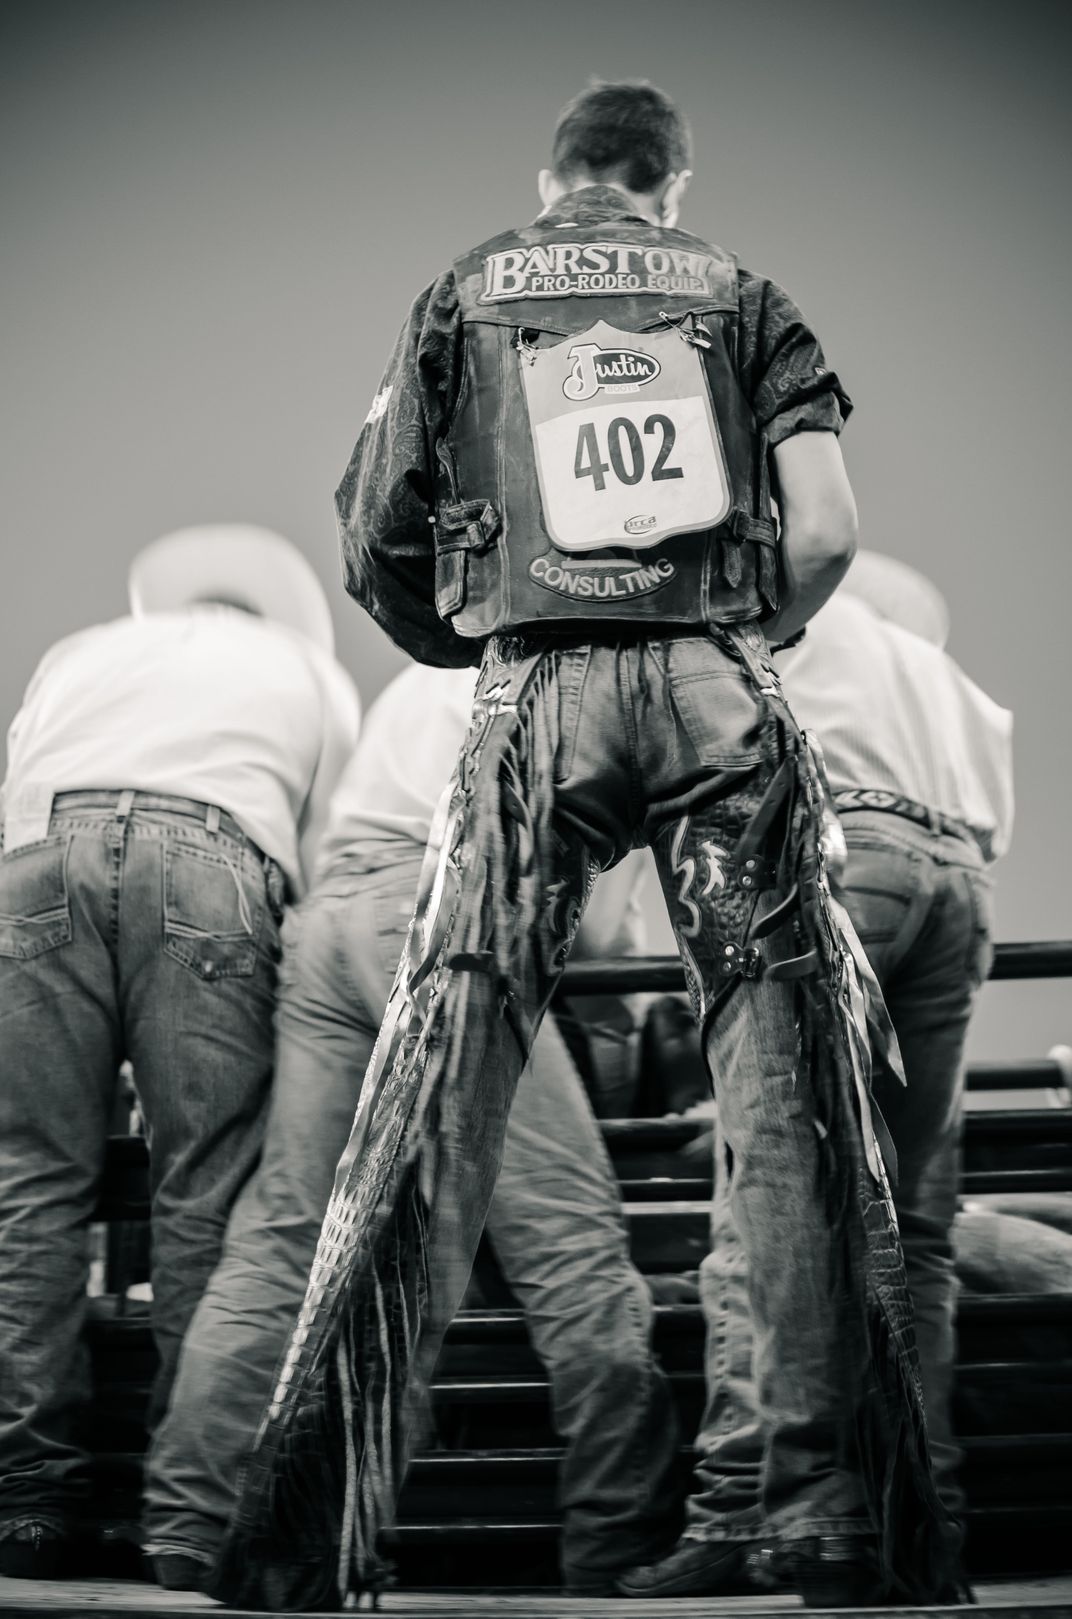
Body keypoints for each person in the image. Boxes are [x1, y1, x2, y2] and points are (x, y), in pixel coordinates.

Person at [212, 82, 955, 1612]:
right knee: (799, 1105)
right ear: (672, 188)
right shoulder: (746, 296)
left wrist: (465, 641)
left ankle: (305, 1534)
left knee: (432, 1094)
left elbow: (373, 536)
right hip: (713, 683)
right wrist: (737, 637)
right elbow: (822, 529)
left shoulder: (465, 286)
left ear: (552, 179)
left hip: (533, 689)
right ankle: (834, 1521)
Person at [142, 660, 680, 1597]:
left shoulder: (421, 679)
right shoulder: (609, 683)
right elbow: (600, 942)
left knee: (287, 1241)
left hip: (334, 920)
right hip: (456, 912)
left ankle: (191, 1522)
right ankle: (616, 1538)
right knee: (567, 1236)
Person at [621, 551, 1012, 1596]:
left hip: (837, 851)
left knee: (770, 1196)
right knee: (913, 1223)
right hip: (956, 879)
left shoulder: (781, 618)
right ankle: (920, 1514)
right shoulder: (947, 681)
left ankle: (778, 1509)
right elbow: (993, 824)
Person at [0, 526, 360, 1579]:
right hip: (210, 855)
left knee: (30, 1185)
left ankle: (27, 1498)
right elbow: (326, 856)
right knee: (205, 1190)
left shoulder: (81, 651)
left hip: (36, 864)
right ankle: (188, 1502)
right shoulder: (308, 669)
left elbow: (18, 788)